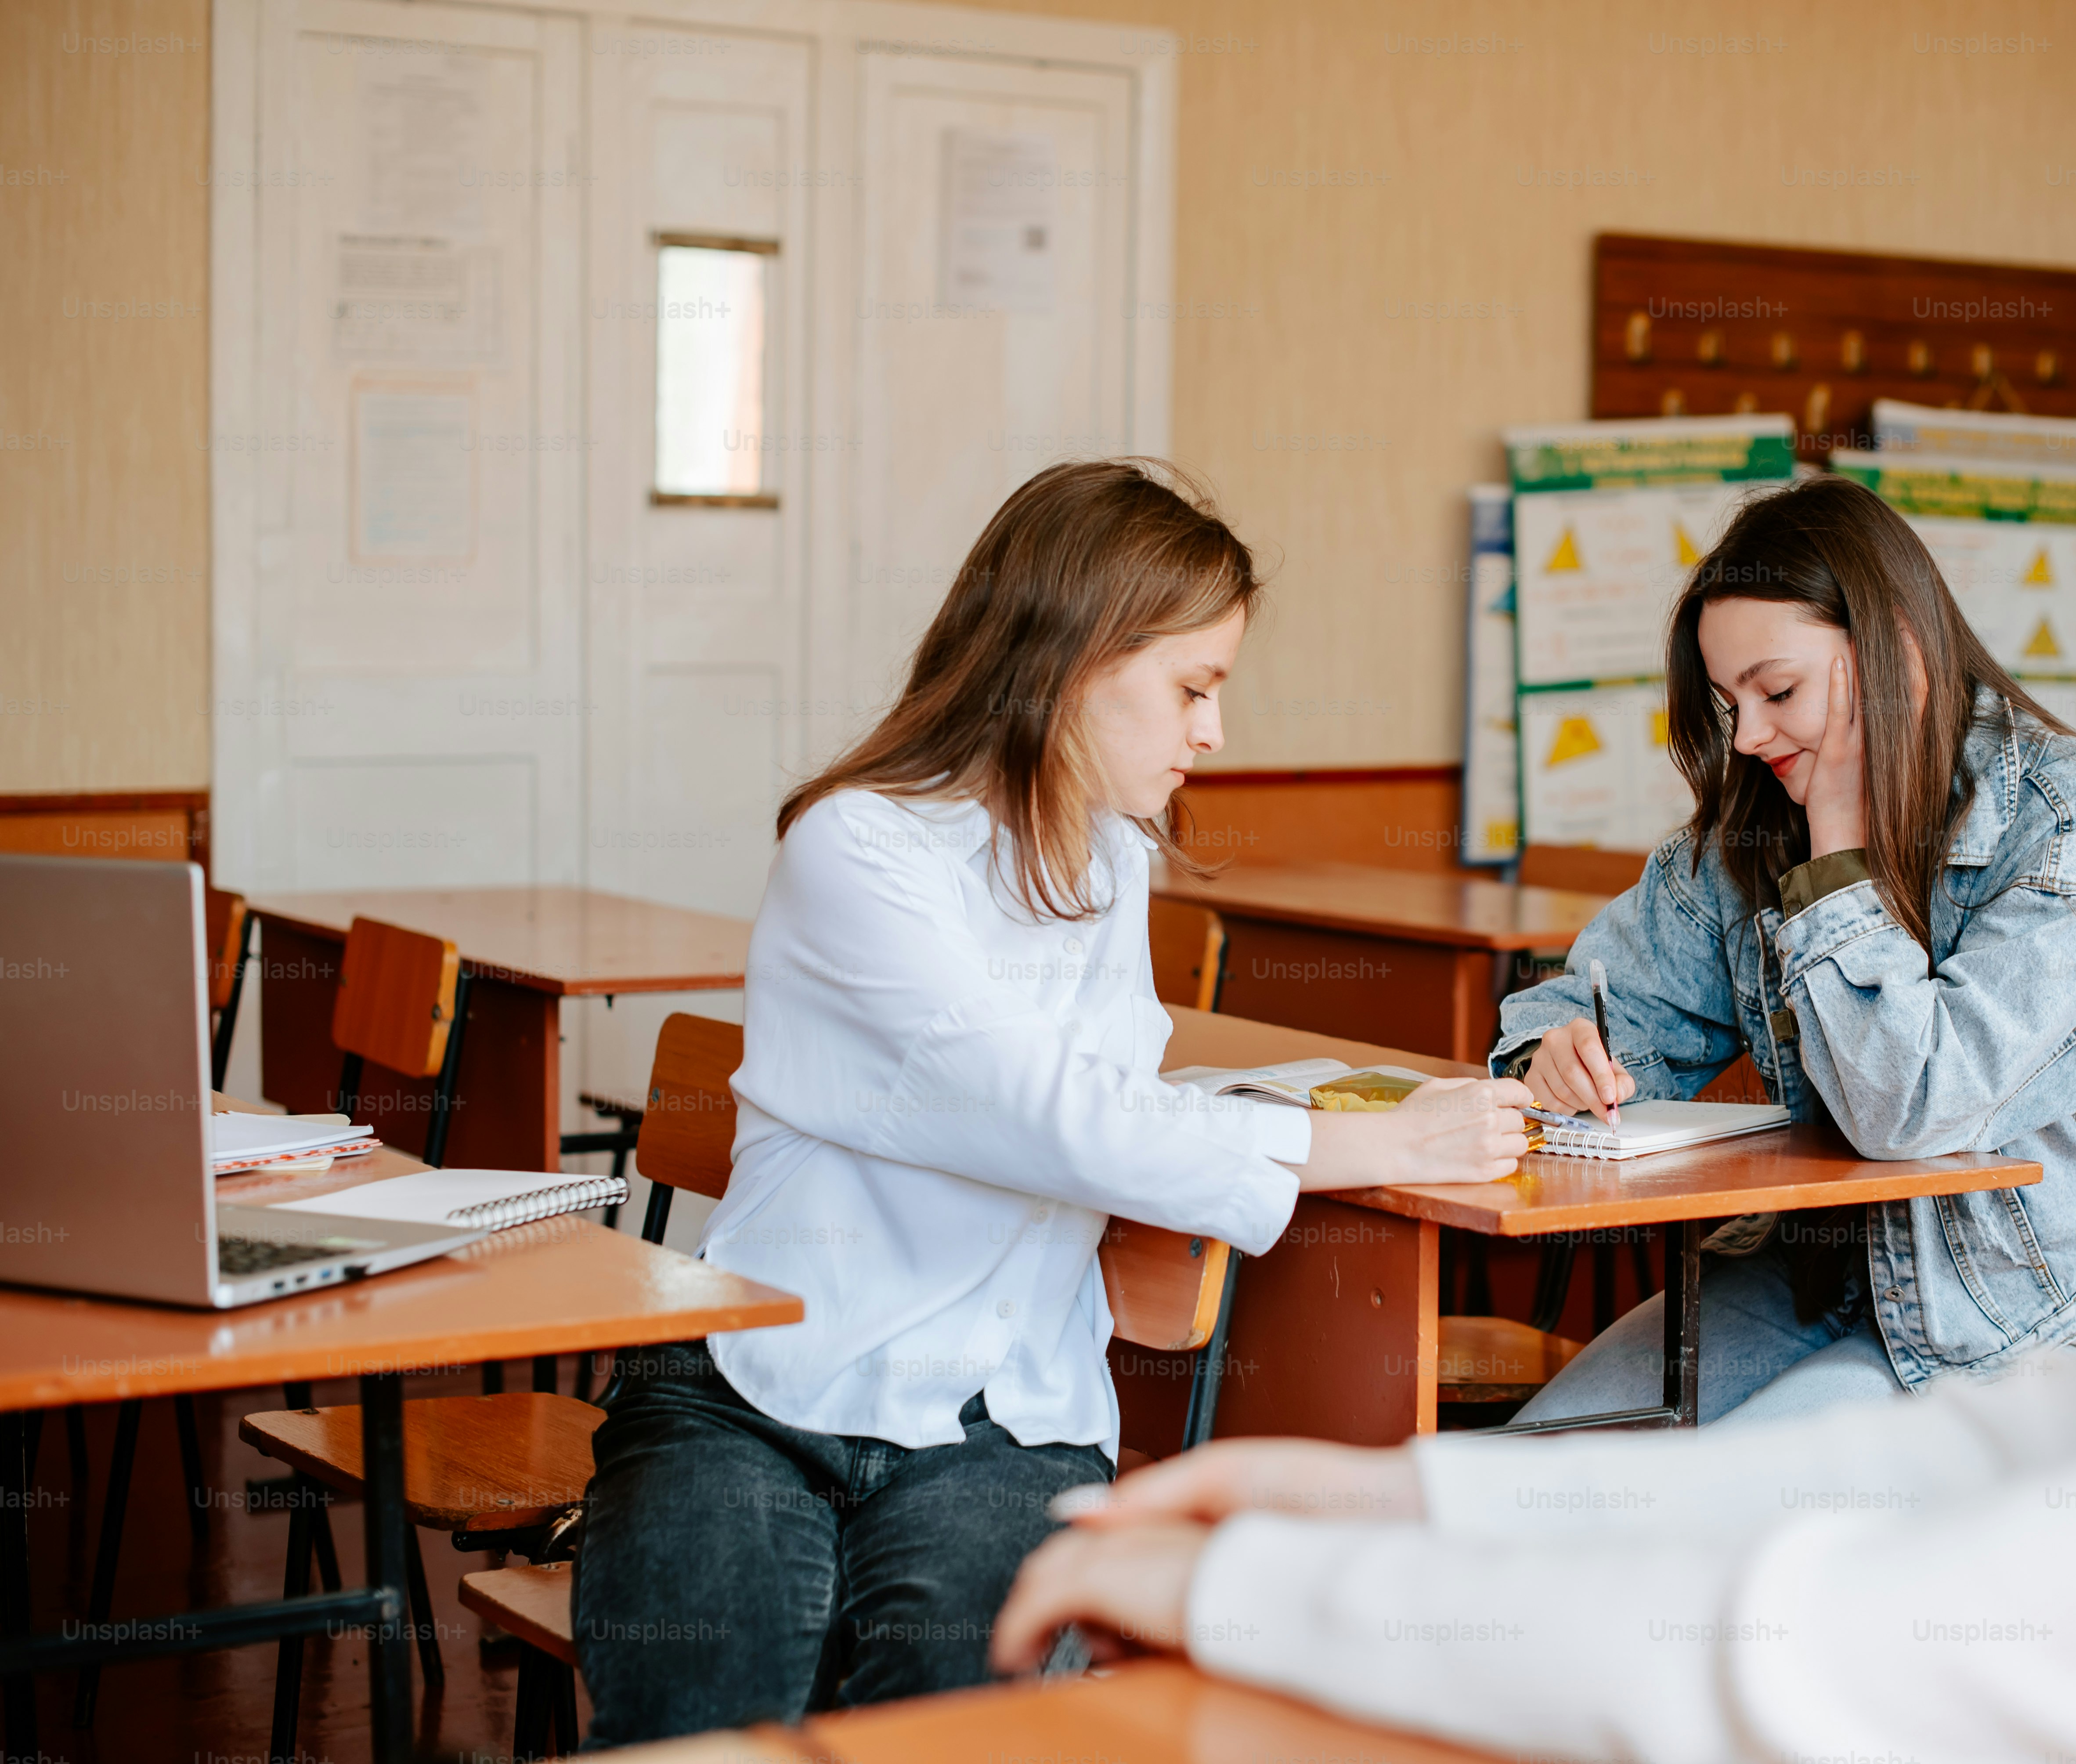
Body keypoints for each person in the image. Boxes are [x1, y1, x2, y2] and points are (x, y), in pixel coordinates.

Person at [994, 444, 2076, 1758]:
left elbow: (1829, 1637)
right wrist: (1410, 1494)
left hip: (1974, 1317)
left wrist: (1281, 1585)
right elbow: (2019, 1458)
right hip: (1799, 1298)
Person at [568, 460, 1529, 1744]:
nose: (1213, 735)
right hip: (758, 1391)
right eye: (1194, 688)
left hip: (1004, 1419)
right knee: (709, 1722)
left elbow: (1086, 1105)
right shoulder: (856, 847)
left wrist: (1280, 1133)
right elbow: (1042, 1110)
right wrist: (1361, 1139)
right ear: (1075, 658)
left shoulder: (1111, 862)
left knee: (953, 1719)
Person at [1505, 474, 2076, 1428]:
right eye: (1732, 703)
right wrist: (1555, 1059)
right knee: (1541, 1458)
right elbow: (1570, 1010)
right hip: (1801, 1278)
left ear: (1892, 655)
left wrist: (1839, 844)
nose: (1748, 739)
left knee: (1701, 1506)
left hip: (1995, 1333)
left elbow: (1913, 1111)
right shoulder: (1752, 828)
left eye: (1777, 691)